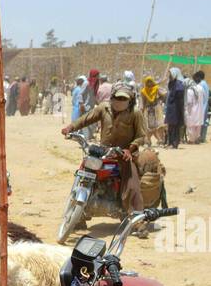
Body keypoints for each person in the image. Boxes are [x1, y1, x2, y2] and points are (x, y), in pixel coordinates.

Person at [62, 85, 148, 218]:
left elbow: (141, 136)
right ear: (112, 97)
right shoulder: (104, 108)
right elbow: (87, 118)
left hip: (124, 155)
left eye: (123, 99)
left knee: (132, 183)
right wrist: (71, 127)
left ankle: (137, 219)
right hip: (104, 151)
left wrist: (129, 150)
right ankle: (78, 215)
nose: (120, 100)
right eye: (117, 97)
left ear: (130, 101)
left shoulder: (135, 113)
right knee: (86, 171)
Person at [164, 67, 185, 149]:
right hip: (170, 108)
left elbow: (179, 100)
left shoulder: (179, 85)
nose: (170, 76)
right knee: (170, 127)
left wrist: (180, 112)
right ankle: (170, 142)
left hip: (176, 109)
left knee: (175, 127)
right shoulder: (171, 83)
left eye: (171, 74)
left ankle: (174, 143)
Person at [185, 70, 207, 144]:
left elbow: (189, 102)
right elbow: (204, 98)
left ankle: (191, 140)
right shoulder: (201, 88)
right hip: (200, 110)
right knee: (198, 125)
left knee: (191, 126)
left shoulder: (190, 90)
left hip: (192, 110)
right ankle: (197, 138)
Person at [197, 70, 211, 143]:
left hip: (201, 106)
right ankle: (203, 137)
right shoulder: (206, 84)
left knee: (199, 122)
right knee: (205, 122)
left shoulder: (200, 85)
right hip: (205, 105)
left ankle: (199, 137)